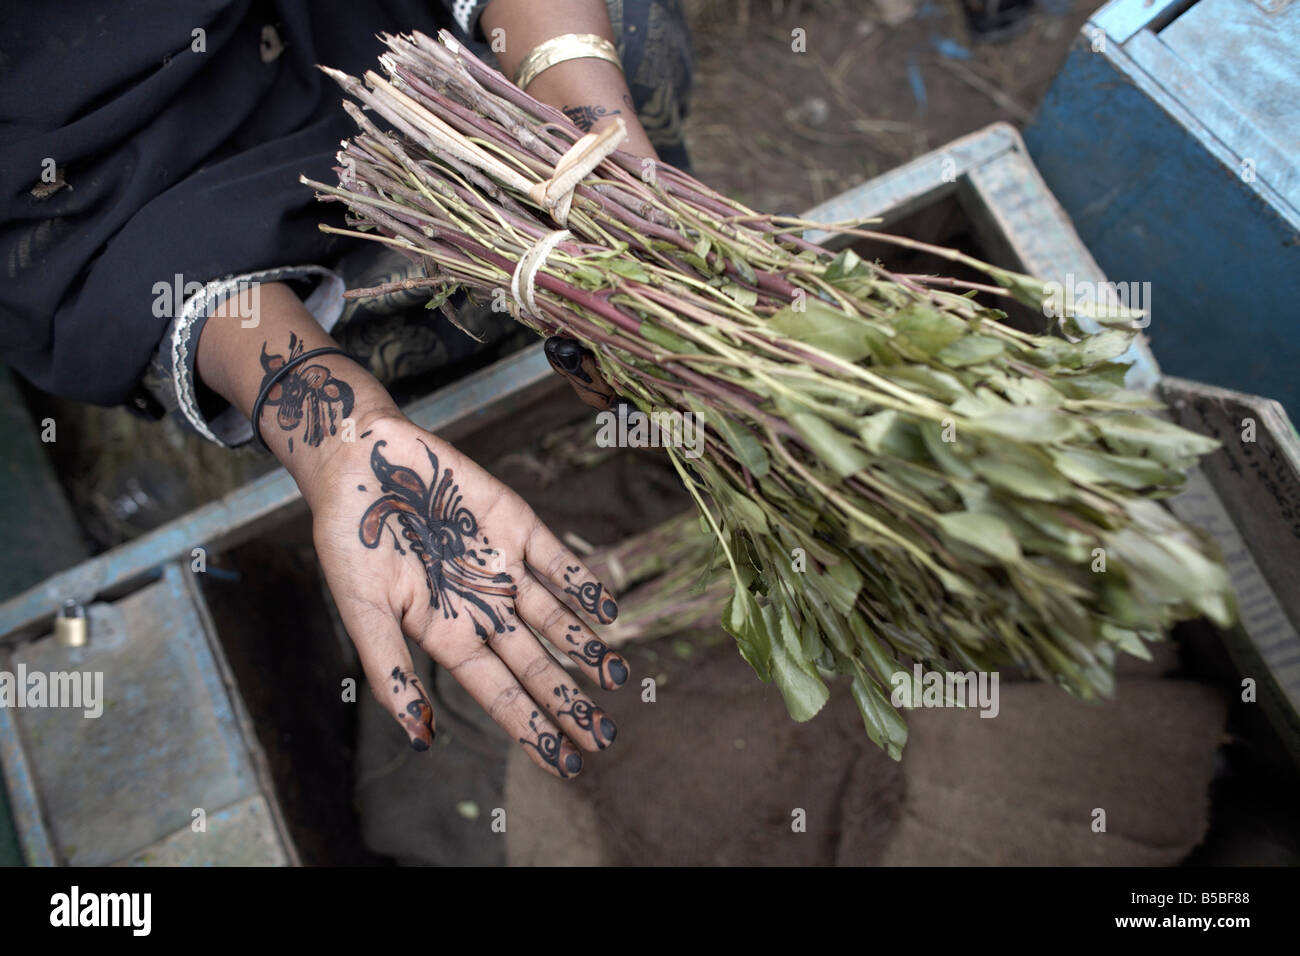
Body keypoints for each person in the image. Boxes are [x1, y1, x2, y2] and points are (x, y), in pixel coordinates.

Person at [0, 0, 694, 780]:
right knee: (368, 339)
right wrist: (340, 435)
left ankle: (605, 308)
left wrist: (606, 175)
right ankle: (425, 377)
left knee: (627, 37)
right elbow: (56, 247)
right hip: (161, 233)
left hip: (376, 36)